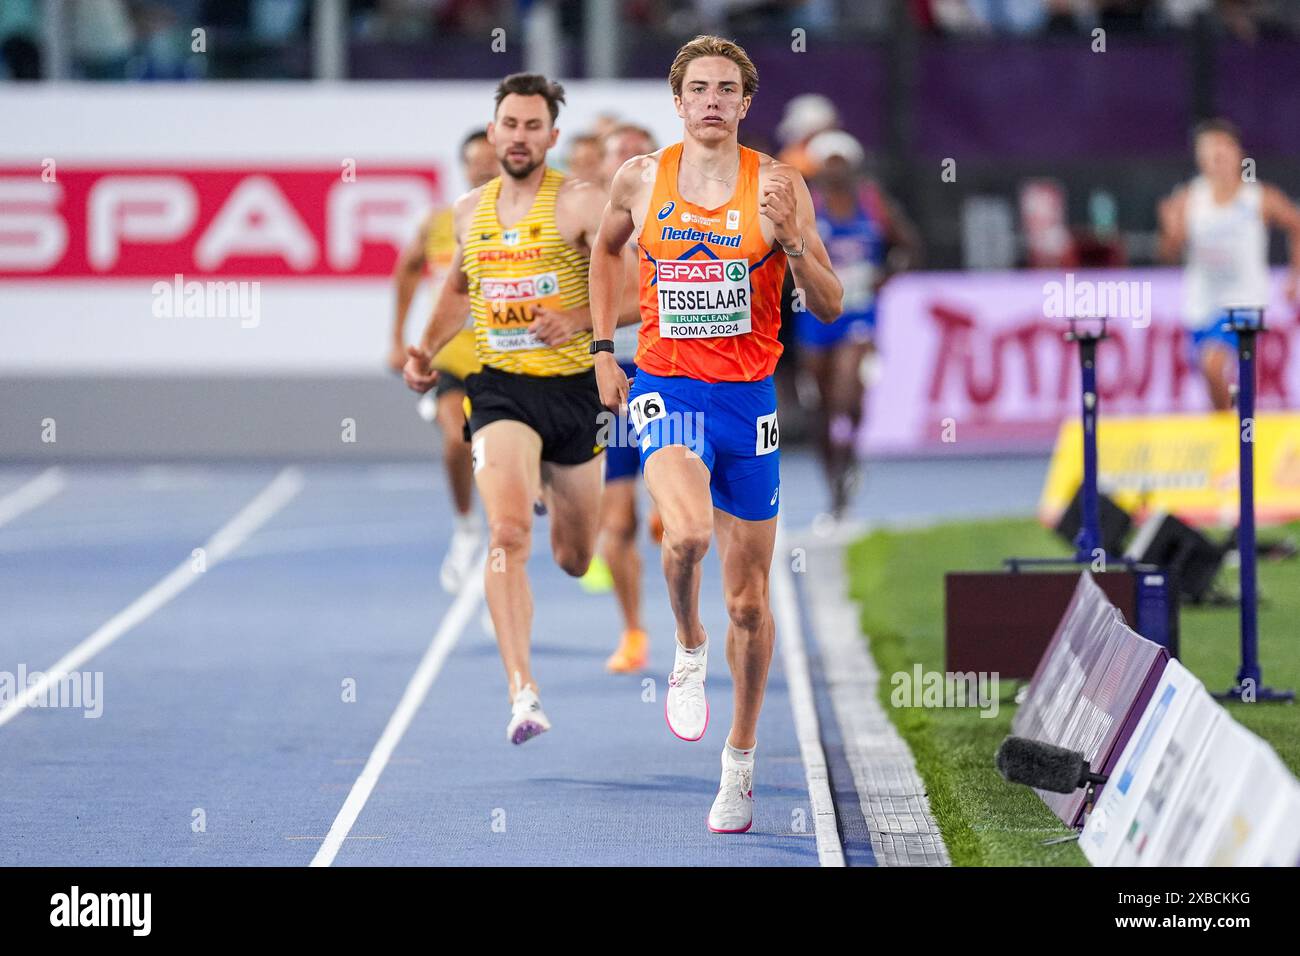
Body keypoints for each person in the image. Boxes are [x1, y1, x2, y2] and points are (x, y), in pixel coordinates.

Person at [588, 35, 843, 833]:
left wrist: (794, 242)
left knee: (751, 606)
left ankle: (738, 765)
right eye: (696, 87)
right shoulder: (640, 177)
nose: (710, 99)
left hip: (749, 404)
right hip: (666, 387)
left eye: (725, 89)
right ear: (677, 99)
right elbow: (603, 251)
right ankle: (686, 648)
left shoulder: (778, 183)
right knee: (688, 532)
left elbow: (830, 304)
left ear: (744, 103)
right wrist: (602, 350)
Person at [403, 73, 636, 745]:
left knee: (571, 555)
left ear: (552, 138)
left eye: (534, 126)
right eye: (510, 124)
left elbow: (643, 293)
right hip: (500, 387)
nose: (520, 136)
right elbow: (458, 286)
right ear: (495, 129)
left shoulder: (584, 203)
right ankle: (522, 694)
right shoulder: (469, 210)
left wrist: (578, 320)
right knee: (506, 535)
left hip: (574, 398)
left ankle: (542, 483)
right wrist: (424, 348)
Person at [389, 129, 499, 592]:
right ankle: (466, 525)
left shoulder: (529, 217)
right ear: (464, 167)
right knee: (457, 441)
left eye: (490, 160)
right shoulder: (441, 222)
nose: (484, 167)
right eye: (475, 161)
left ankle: (502, 562)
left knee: (504, 462)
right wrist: (398, 338)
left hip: (510, 353)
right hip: (454, 352)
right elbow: (408, 268)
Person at [797, 129, 920, 521]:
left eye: (841, 165)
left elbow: (909, 245)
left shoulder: (873, 203)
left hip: (858, 313)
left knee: (845, 398)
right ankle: (834, 480)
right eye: (827, 165)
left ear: (852, 167)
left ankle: (849, 456)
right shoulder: (808, 207)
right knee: (818, 404)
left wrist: (887, 274)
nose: (834, 173)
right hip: (814, 314)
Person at [1158, 118, 1300, 411]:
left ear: (1238, 154)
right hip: (1202, 306)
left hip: (1244, 304)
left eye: (1222, 148)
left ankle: (1232, 433)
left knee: (1213, 365)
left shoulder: (1258, 197)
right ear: (1200, 158)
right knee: (1214, 378)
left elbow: (1296, 225)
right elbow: (1169, 255)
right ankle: (1231, 430)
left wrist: (1294, 275)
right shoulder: (1188, 199)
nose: (1217, 156)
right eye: (1208, 150)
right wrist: (1170, 233)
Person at [593, 123, 659, 674]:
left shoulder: (673, 215)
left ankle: (694, 635)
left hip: (668, 373)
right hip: (612, 375)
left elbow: (650, 300)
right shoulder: (591, 225)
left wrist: (577, 317)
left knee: (679, 513)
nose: (627, 159)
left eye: (638, 150)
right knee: (617, 520)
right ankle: (633, 630)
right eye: (618, 152)